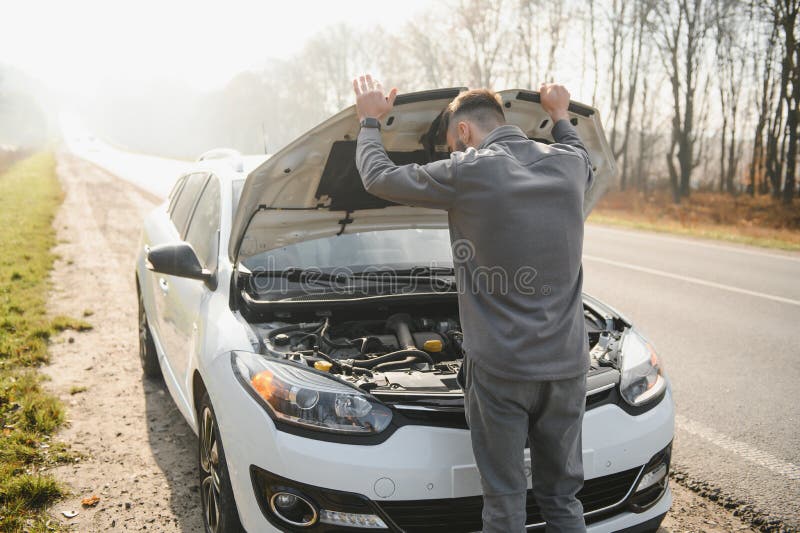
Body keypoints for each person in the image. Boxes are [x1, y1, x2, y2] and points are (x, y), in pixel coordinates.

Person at [352, 75, 594, 533]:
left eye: (450, 145)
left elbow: (378, 177)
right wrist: (560, 114)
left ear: (463, 132)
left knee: (505, 507)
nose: (452, 154)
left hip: (502, 370)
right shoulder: (569, 165)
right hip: (568, 366)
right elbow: (581, 153)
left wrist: (369, 120)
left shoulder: (470, 170)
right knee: (563, 499)